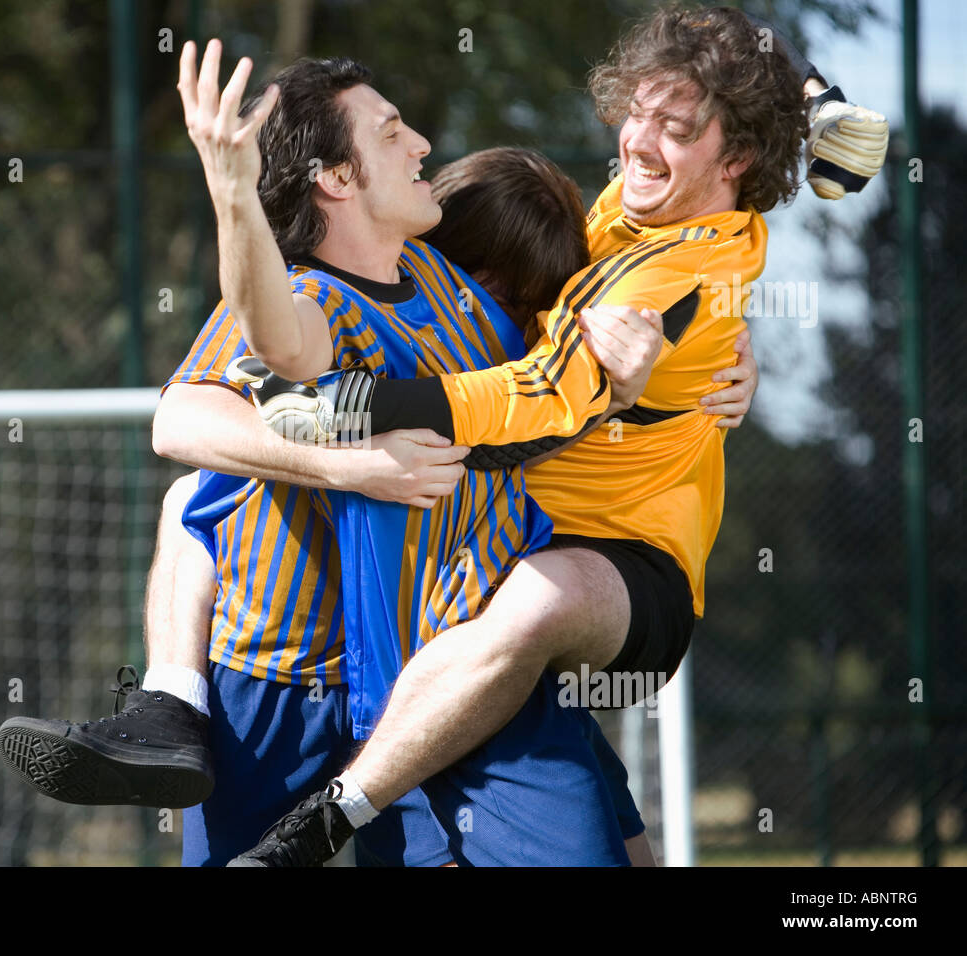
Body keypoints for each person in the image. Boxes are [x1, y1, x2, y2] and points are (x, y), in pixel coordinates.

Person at [227, 5, 888, 865]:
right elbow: (727, 35)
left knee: (540, 600)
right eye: (637, 113)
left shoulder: (666, 276)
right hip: (514, 557)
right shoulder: (636, 208)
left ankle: (325, 821)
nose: (638, 142)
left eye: (675, 129)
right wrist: (816, 97)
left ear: (736, 160)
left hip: (622, 577)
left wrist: (354, 407)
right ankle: (165, 703)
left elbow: (544, 395)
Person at [0, 46, 683, 865]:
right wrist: (231, 192)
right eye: (392, 132)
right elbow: (199, 403)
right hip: (276, 683)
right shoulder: (308, 294)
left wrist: (657, 378)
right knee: (191, 497)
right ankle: (169, 705)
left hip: (436, 679)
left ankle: (171, 705)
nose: (424, 143)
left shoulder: (451, 284)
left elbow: (554, 383)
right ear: (338, 178)